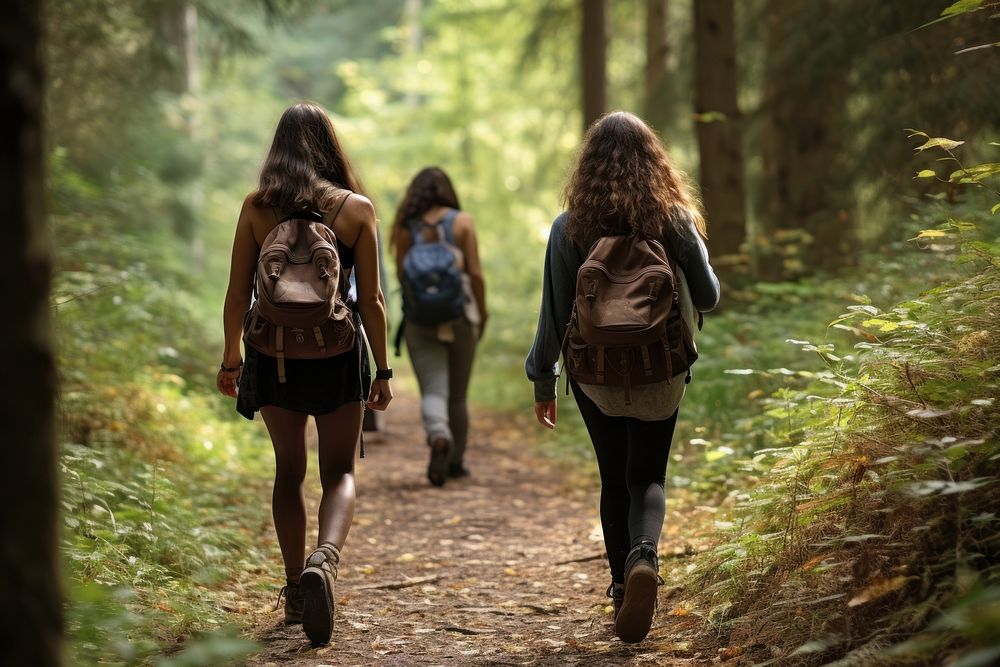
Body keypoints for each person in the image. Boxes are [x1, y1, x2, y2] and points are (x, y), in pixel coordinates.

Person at [525, 111, 720, 644]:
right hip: (662, 368)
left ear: (586, 166)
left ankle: (620, 586)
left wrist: (543, 379)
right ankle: (646, 557)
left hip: (596, 374)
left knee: (614, 479)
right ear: (654, 161)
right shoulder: (674, 219)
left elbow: (554, 314)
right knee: (648, 476)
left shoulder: (570, 228)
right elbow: (709, 297)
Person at [216, 102, 393, 646]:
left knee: (288, 469)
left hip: (273, 356)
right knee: (339, 471)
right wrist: (383, 371)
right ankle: (326, 562)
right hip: (337, 355)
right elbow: (374, 302)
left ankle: (296, 587)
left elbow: (237, 293)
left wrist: (231, 359)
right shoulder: (356, 210)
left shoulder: (256, 208)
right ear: (329, 147)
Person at [391, 167, 488, 486]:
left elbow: (404, 277)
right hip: (460, 316)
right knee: (458, 396)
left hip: (420, 320)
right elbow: (475, 274)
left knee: (434, 388)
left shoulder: (406, 228)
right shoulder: (462, 222)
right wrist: (482, 313)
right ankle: (455, 462)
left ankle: (438, 435)